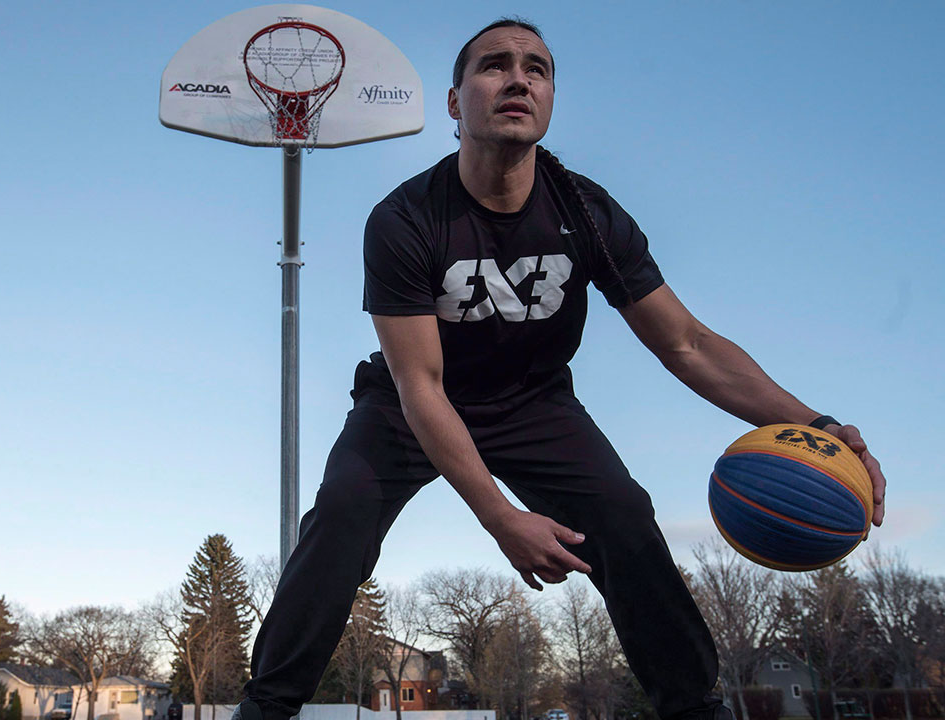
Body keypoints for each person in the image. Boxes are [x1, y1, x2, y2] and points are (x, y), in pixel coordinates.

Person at [233, 17, 887, 720]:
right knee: (341, 512)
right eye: (494, 65)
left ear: (548, 100)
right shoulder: (406, 219)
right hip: (407, 405)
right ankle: (267, 706)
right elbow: (420, 382)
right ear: (455, 103)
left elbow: (687, 344)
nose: (518, 78)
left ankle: (693, 707)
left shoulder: (589, 214)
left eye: (537, 69)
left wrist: (815, 424)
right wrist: (499, 516)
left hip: (531, 402)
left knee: (625, 518)